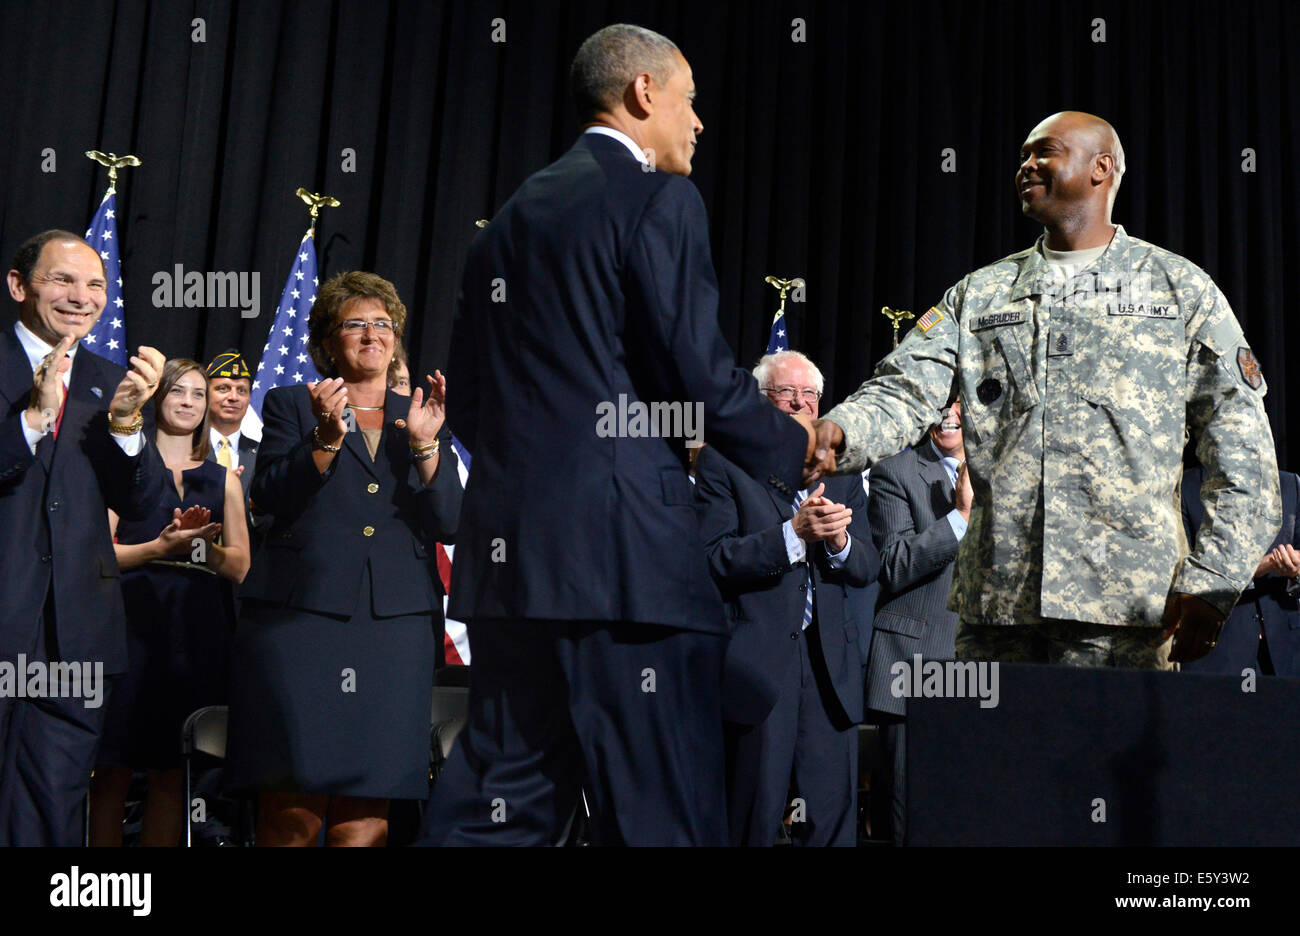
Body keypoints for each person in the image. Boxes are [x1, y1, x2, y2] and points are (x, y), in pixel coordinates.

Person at [420, 24, 813, 846]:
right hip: (629, 570)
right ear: (642, 92)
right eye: (690, 100)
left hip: (514, 567)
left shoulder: (504, 227)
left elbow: (472, 407)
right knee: (661, 808)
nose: (699, 122)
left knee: (501, 801)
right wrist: (790, 446)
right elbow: (698, 373)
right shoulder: (658, 198)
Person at [808, 111, 1280, 669]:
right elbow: (904, 388)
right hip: (999, 613)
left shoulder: (1179, 290)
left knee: (1108, 759)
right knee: (990, 759)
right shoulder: (980, 294)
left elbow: (1242, 449)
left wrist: (1215, 580)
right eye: (1024, 156)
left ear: (1101, 168)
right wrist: (836, 434)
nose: (1026, 167)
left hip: (1127, 614)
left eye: (1045, 152)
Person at [226, 270, 461, 846]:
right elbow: (267, 497)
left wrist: (428, 446)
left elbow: (451, 521)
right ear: (328, 340)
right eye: (354, 324)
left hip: (394, 629)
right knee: (292, 807)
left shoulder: (422, 413)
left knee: (369, 808)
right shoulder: (292, 404)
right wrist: (325, 442)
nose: (371, 334)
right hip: (299, 624)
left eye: (382, 325)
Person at [0, 229, 167, 846]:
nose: (82, 296)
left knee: (53, 802)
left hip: (77, 637)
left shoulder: (109, 379)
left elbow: (142, 502)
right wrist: (33, 419)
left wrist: (126, 426)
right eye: (63, 280)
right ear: (20, 285)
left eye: (95, 284)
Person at [695, 350, 879, 846]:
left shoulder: (841, 471)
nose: (800, 403)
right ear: (760, 403)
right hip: (760, 672)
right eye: (786, 393)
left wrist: (840, 543)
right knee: (751, 821)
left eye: (810, 395)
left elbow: (868, 566)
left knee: (830, 825)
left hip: (829, 675)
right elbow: (712, 560)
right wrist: (792, 536)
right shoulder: (723, 461)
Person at [89, 359, 250, 846]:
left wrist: (198, 547)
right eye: (178, 391)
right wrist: (161, 548)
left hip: (195, 629)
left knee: (171, 768)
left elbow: (241, 566)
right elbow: (98, 556)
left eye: (198, 394)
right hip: (128, 623)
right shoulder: (125, 467)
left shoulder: (224, 478)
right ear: (157, 399)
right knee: (112, 766)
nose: (188, 402)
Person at [866, 396, 970, 845]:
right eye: (939, 403)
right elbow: (891, 564)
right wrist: (961, 517)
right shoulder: (897, 471)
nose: (948, 413)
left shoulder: (1012, 469)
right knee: (909, 819)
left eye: (958, 402)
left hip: (993, 668)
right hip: (916, 665)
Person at [1182, 464, 1300, 678]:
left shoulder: (1290, 484)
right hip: (1219, 650)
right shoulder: (1186, 486)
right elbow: (1184, 573)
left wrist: (1296, 570)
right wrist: (1258, 567)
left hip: (1286, 651)